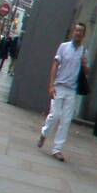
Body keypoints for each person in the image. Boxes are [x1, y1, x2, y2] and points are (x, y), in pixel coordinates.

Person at [38, 22, 89, 162]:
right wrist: (51, 85)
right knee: (55, 115)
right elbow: (55, 65)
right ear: (74, 32)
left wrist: (85, 66)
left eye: (81, 31)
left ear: (84, 35)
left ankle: (57, 149)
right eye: (76, 30)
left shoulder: (84, 51)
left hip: (72, 90)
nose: (78, 33)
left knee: (66, 120)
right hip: (59, 86)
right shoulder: (64, 47)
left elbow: (87, 72)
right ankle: (44, 133)